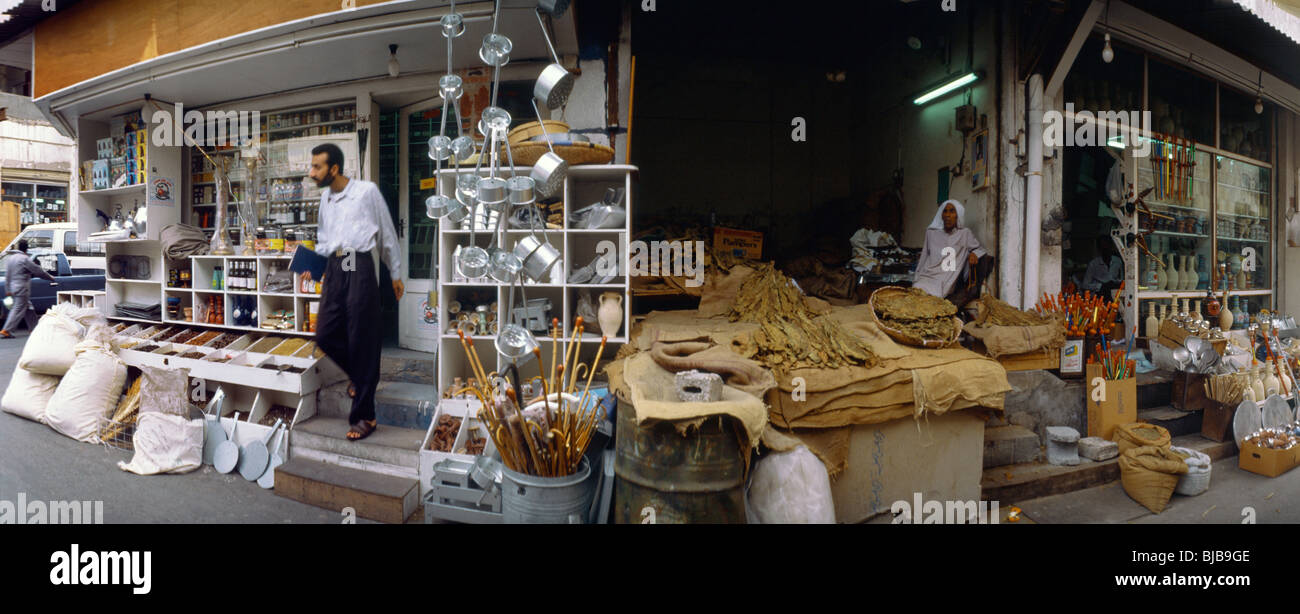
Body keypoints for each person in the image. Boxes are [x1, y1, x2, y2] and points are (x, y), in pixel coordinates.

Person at [299, 143, 404, 441]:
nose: (312, 172)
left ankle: (364, 416)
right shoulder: (325, 200)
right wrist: (315, 264)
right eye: (312, 165)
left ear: (334, 169)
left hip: (358, 264)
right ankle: (359, 377)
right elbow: (324, 238)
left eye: (317, 167)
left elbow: (386, 232)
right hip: (336, 266)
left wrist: (394, 272)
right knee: (326, 334)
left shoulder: (366, 192)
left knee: (362, 337)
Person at [912, 199, 992, 307]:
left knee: (931, 300)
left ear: (958, 215)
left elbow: (980, 249)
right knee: (917, 291)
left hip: (947, 280)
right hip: (928, 276)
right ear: (941, 215)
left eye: (952, 211)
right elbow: (924, 257)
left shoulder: (964, 234)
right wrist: (917, 277)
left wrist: (974, 253)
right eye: (945, 211)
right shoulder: (931, 233)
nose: (948, 215)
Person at [0, 239, 56, 338]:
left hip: (13, 288)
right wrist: (50, 278)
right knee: (18, 309)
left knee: (29, 309)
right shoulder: (24, 259)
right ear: (26, 248)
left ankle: (34, 329)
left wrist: (8, 290)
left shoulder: (11, 259)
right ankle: (6, 330)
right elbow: (38, 271)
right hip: (22, 288)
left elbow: (7, 275)